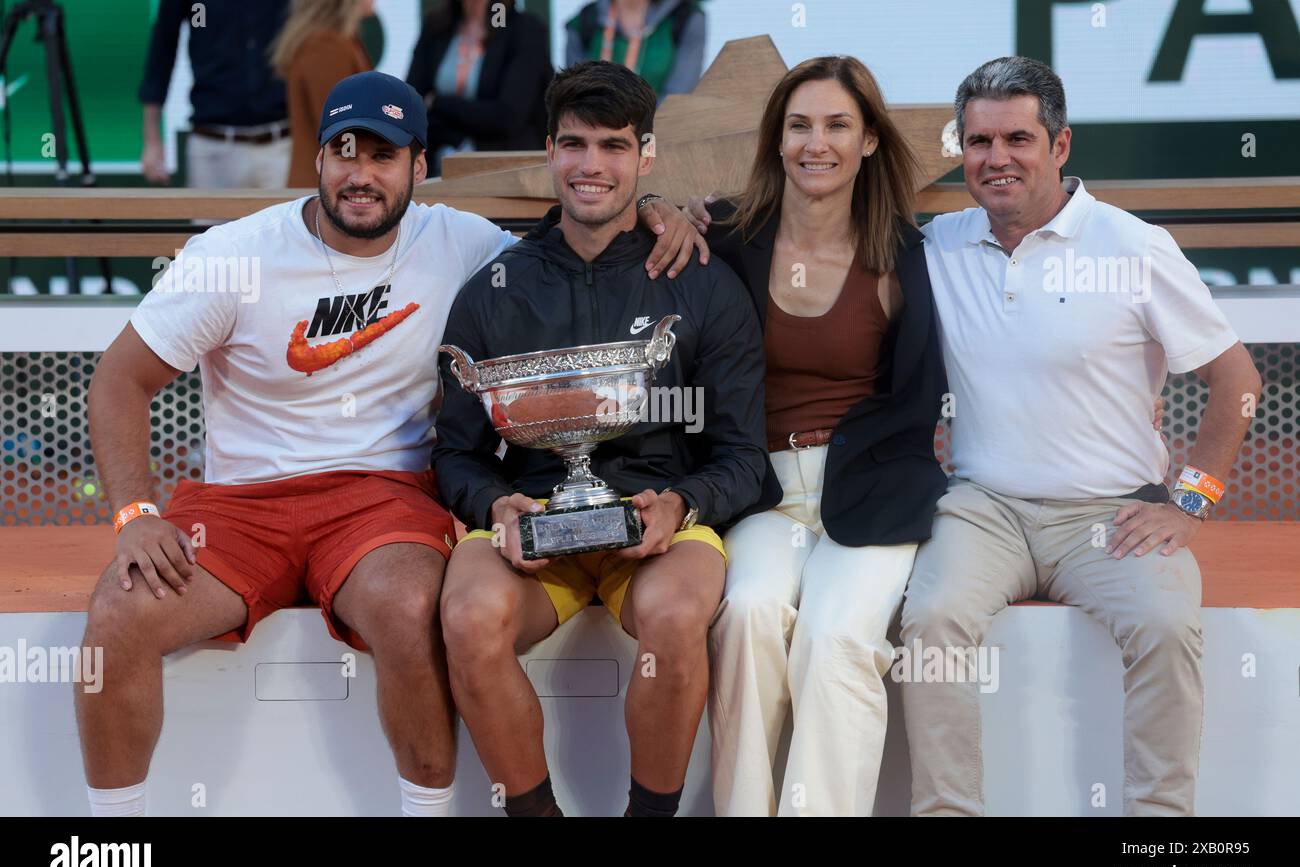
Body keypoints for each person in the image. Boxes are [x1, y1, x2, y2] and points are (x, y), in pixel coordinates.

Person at [76, 70, 707, 819]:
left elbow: (582, 226)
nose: (360, 175)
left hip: (382, 500)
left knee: (413, 606)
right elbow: (119, 380)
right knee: (117, 617)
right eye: (344, 153)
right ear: (317, 159)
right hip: (240, 507)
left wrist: (662, 210)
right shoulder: (235, 255)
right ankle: (113, 847)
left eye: (383, 157)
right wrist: (134, 513)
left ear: (417, 166)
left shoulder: (464, 245)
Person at [897, 56, 1262, 816]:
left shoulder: (1134, 246)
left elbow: (1237, 382)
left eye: (1018, 139)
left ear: (1060, 147)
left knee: (1165, 624)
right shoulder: (937, 246)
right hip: (984, 507)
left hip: (1109, 516)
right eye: (979, 142)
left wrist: (1189, 503)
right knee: (930, 621)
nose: (997, 159)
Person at [433, 60, 766, 817]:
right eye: (575, 144)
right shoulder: (495, 287)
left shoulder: (700, 279)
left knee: (678, 621)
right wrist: (496, 507)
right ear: (549, 149)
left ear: (647, 156)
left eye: (614, 146)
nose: (592, 167)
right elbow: (452, 451)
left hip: (658, 525)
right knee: (466, 617)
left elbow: (744, 454)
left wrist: (682, 504)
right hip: (531, 528)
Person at [675, 56, 948, 816]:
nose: (815, 143)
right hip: (762, 491)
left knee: (835, 641)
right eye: (799, 125)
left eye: (836, 125)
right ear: (777, 139)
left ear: (867, 142)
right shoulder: (729, 237)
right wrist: (660, 212)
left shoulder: (903, 256)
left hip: (868, 489)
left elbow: (920, 396)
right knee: (750, 619)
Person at [139, 0, 292, 188]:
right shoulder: (198, 9)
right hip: (213, 144)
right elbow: (163, 48)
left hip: (282, 143)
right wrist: (151, 140)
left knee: (292, 216)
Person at [406, 0, 553, 176]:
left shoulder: (523, 28)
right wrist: (455, 135)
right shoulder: (436, 25)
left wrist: (437, 103)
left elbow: (507, 116)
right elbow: (412, 104)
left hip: (504, 170)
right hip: (436, 166)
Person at [271, 0, 374, 188]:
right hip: (328, 188)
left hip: (333, 184)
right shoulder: (327, 46)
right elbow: (338, 129)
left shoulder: (340, 41)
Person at [565, 0, 706, 98]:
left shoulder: (686, 18)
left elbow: (678, 97)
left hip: (660, 133)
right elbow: (576, 96)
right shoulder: (584, 20)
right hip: (597, 132)